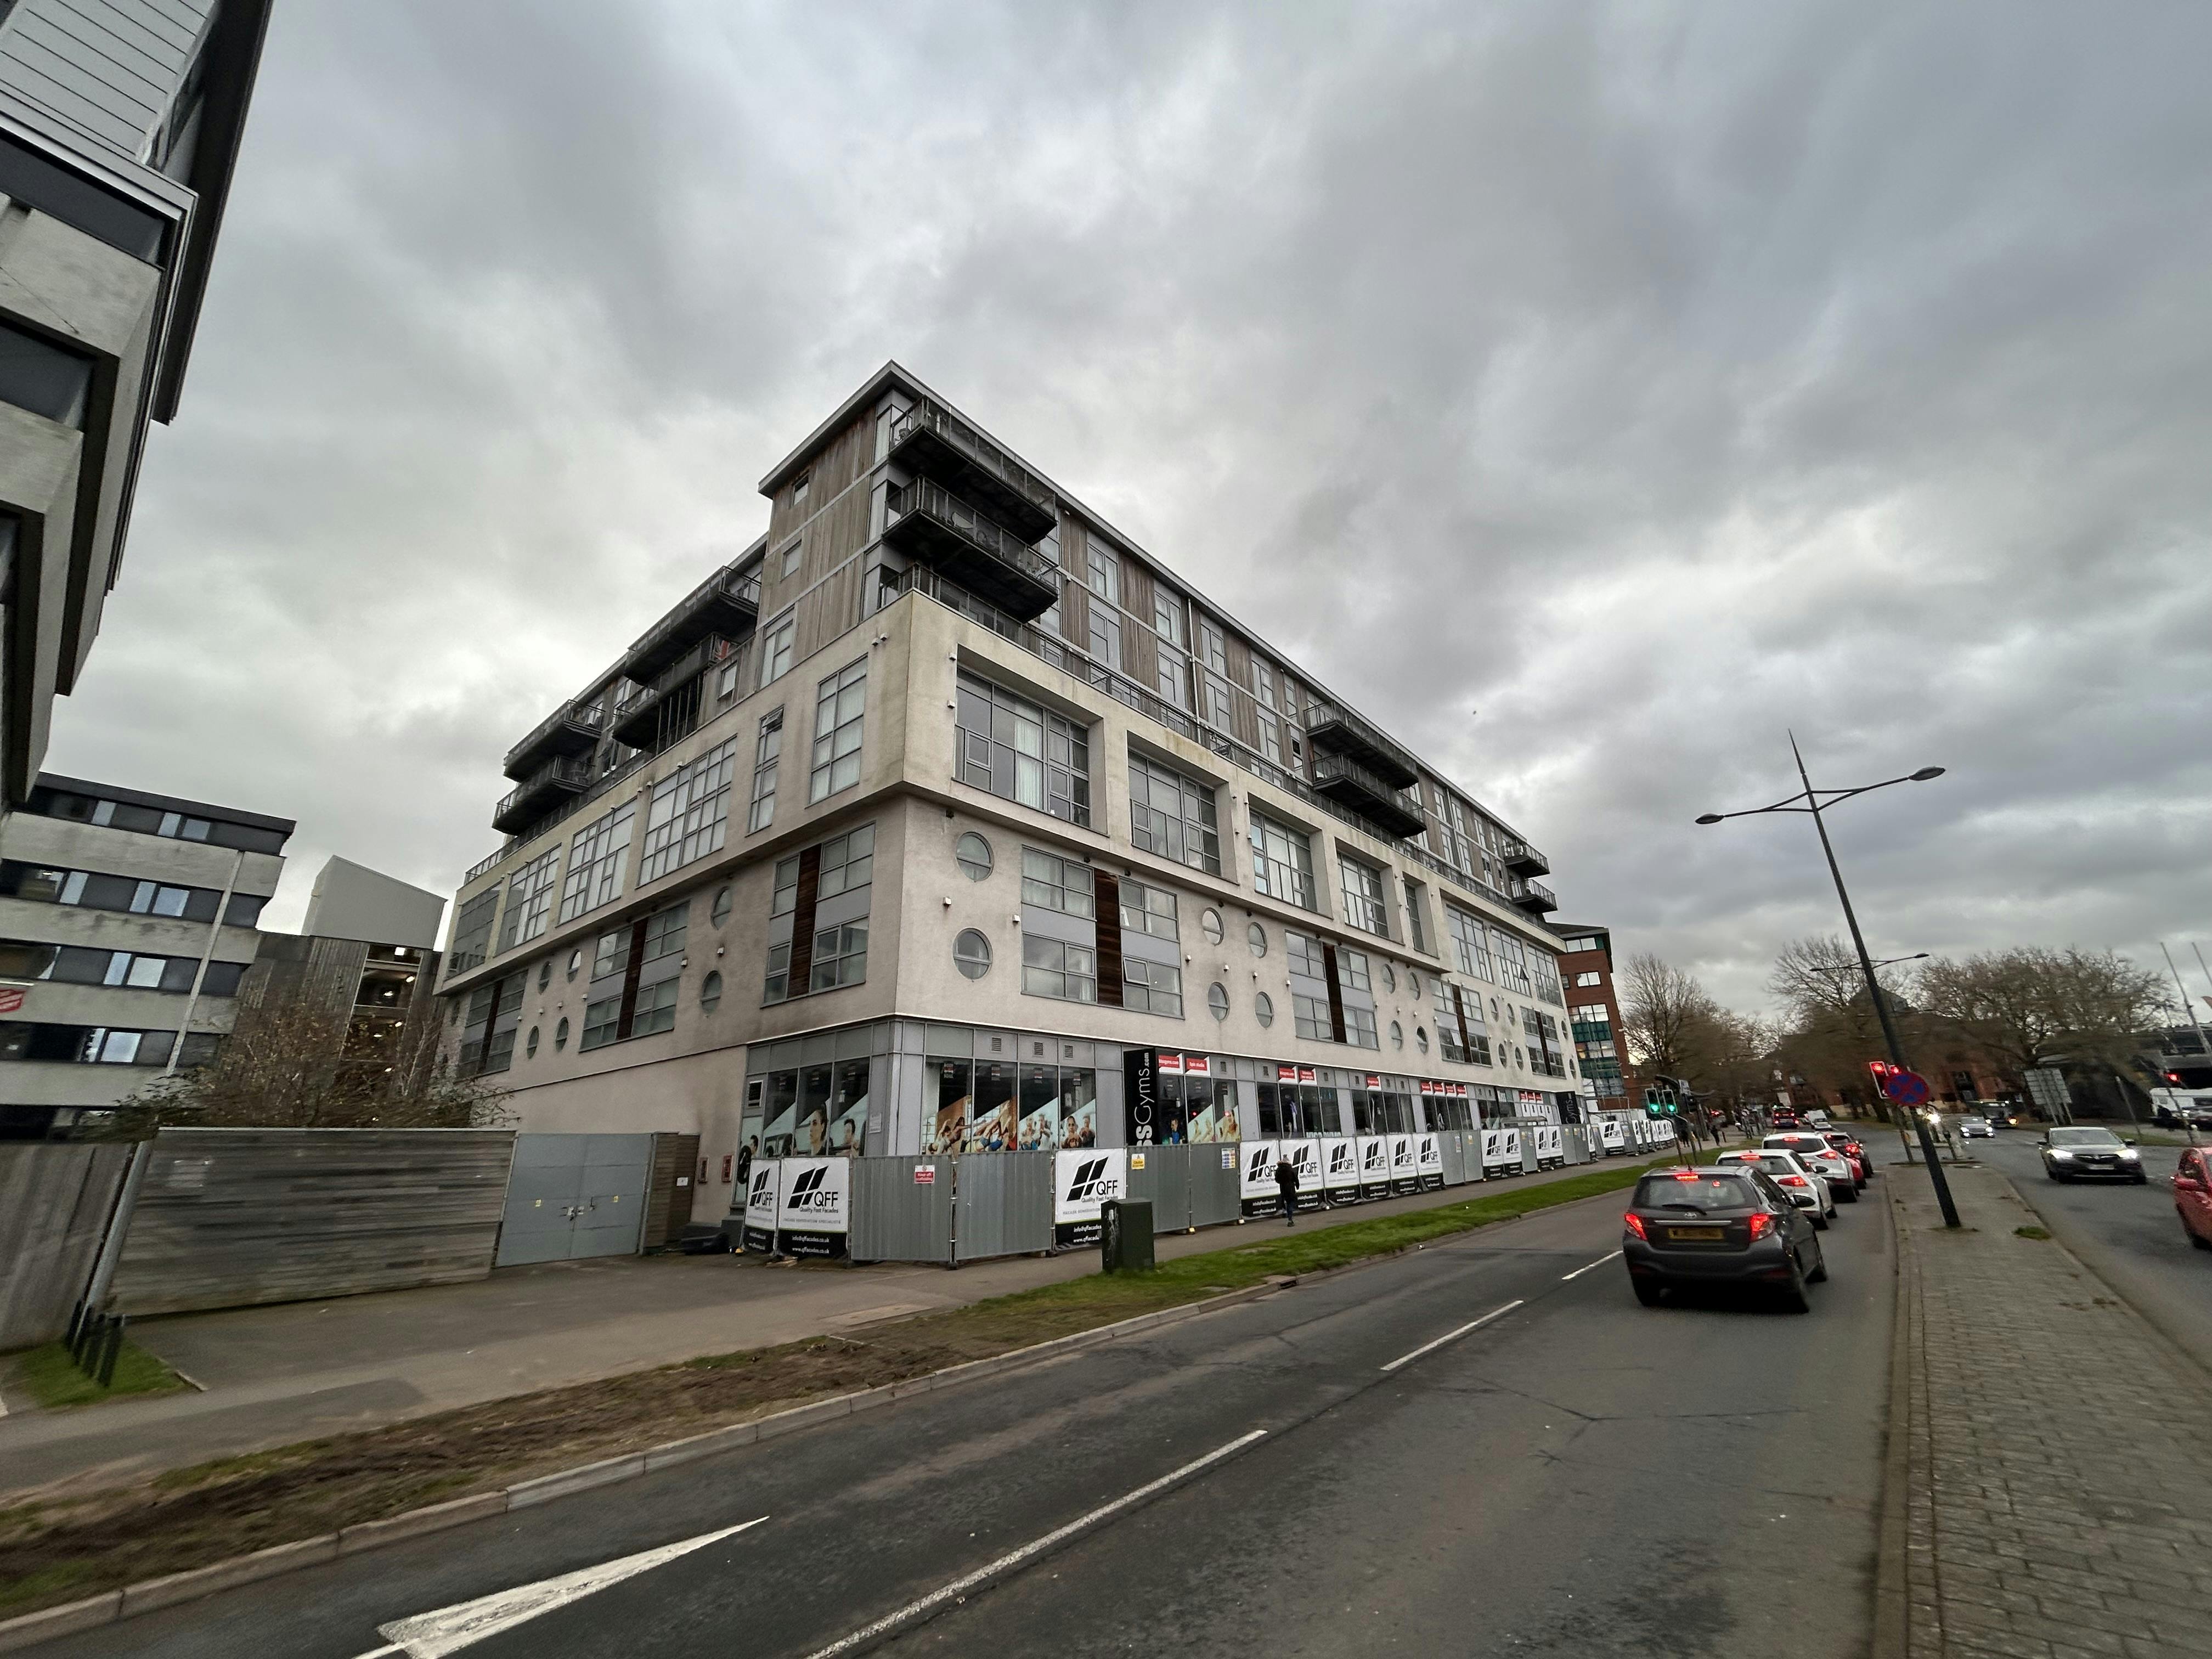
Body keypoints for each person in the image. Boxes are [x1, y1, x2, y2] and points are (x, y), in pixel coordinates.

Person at [1275, 1151, 1300, 1227]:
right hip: (1291, 1188)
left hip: (1283, 1188)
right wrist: (1297, 1186)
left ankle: (1288, 1215)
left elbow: (1277, 1180)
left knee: (1287, 1202)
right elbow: (1296, 1179)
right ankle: (1290, 1219)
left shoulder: (1278, 1170)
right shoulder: (1291, 1170)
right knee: (1291, 1203)